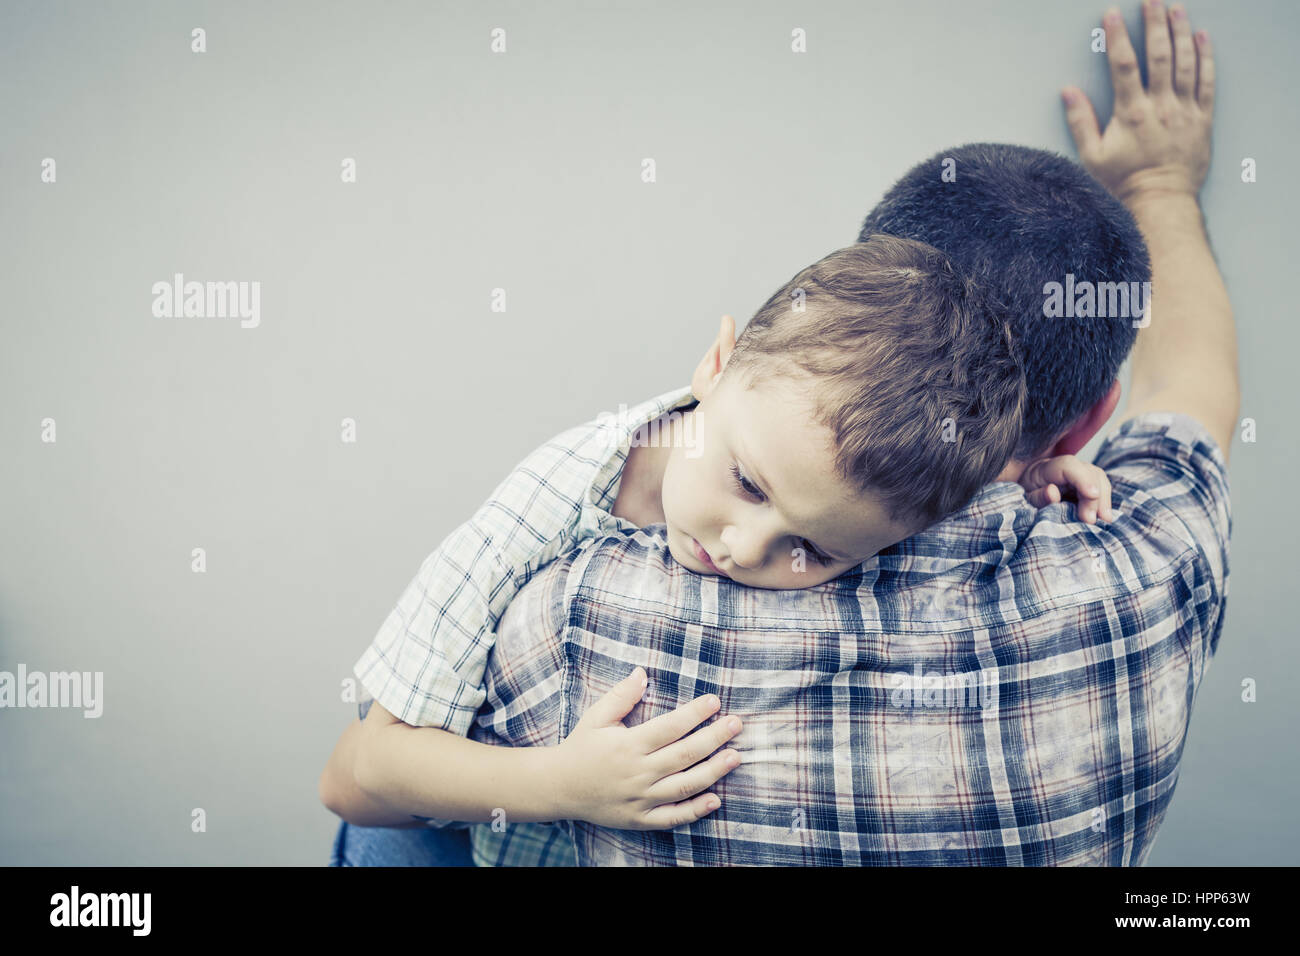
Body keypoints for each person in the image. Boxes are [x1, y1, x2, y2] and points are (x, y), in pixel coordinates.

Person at [326, 0, 1234, 864]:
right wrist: (1160, 185)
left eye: (808, 544)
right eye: (750, 484)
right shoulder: (1159, 555)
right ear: (1083, 431)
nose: (740, 546)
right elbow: (1197, 389)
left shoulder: (568, 619)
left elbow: (369, 781)